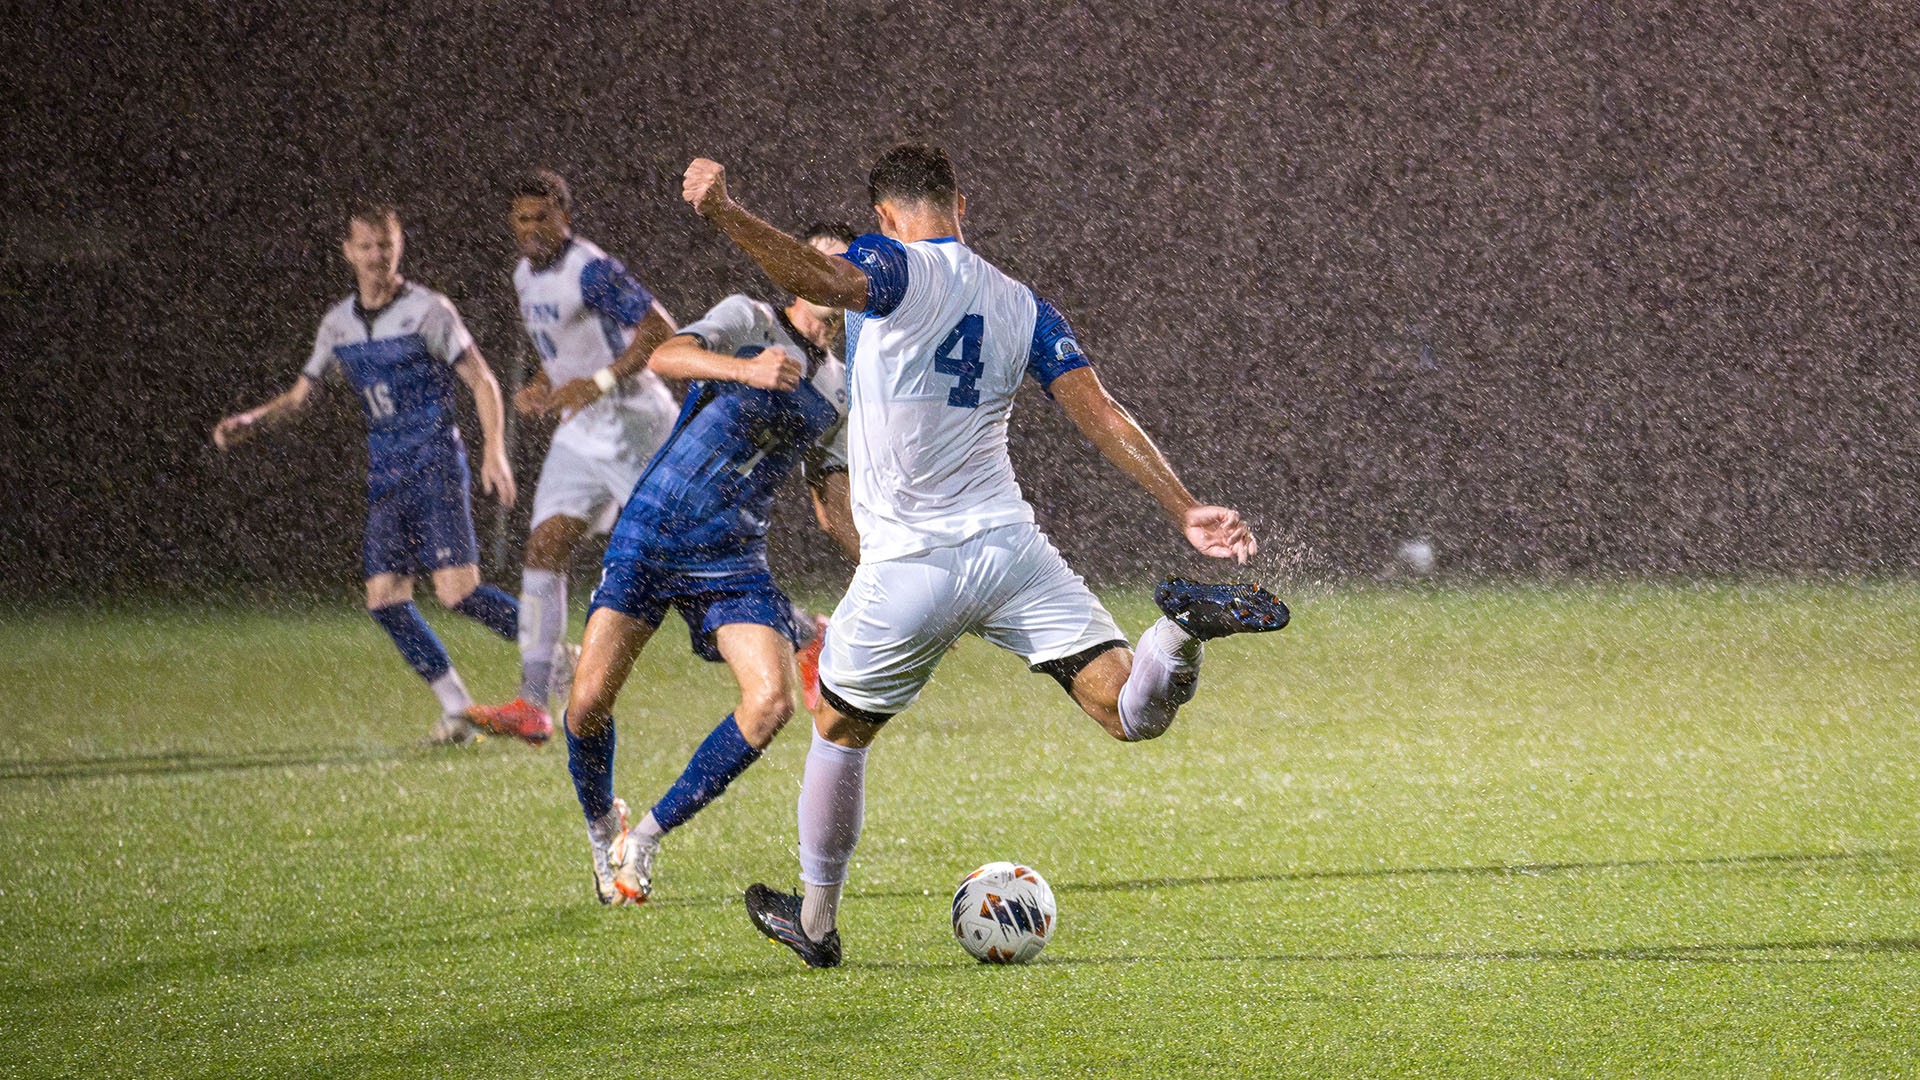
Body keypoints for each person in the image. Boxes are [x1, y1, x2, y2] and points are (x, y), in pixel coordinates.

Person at [681, 145, 1291, 967]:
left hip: (910, 563)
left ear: (885, 219)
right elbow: (1101, 411)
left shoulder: (889, 266)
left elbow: (824, 285)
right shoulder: (1022, 303)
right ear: (961, 204)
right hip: (1010, 550)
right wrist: (1184, 507)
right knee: (1124, 710)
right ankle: (1178, 634)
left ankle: (817, 927)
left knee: (838, 724)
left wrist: (724, 211)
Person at [561, 224, 863, 906]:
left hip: (732, 556)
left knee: (772, 703)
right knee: (585, 709)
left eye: (842, 268)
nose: (828, 278)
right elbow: (666, 356)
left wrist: (895, 571)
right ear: (796, 270)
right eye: (816, 262)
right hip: (653, 530)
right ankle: (602, 825)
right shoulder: (748, 319)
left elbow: (831, 506)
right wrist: (745, 368)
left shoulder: (843, 391)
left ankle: (645, 838)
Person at [213, 203, 526, 746]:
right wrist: (253, 421)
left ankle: (558, 653)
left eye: (386, 244)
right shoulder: (338, 324)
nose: (378, 255)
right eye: (367, 246)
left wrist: (493, 450)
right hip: (387, 473)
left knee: (458, 593)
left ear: (399, 244)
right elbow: (300, 396)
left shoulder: (429, 310)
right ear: (348, 252)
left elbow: (482, 380)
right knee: (384, 600)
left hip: (433, 463)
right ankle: (458, 711)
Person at [464, 170, 682, 741]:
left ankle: (806, 633)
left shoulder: (590, 269)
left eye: (543, 216)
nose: (533, 229)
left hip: (636, 424)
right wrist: (542, 382)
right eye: (522, 220)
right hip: (581, 432)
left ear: (565, 214)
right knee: (543, 546)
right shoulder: (522, 276)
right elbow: (564, 351)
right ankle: (533, 703)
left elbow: (661, 329)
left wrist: (600, 382)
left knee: (688, 559)